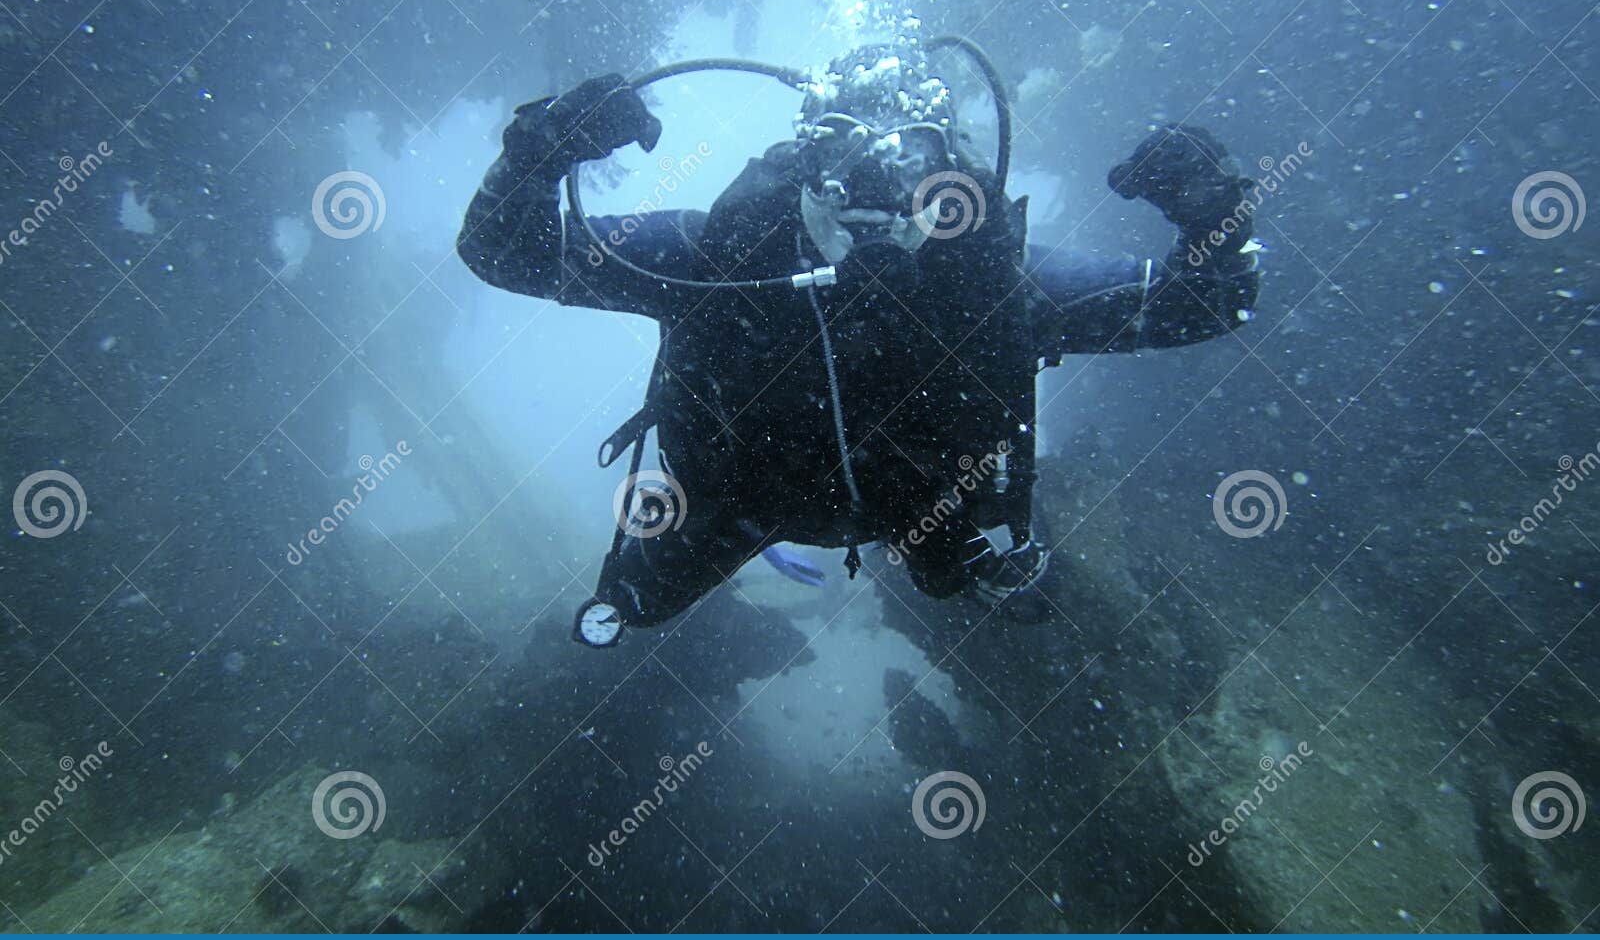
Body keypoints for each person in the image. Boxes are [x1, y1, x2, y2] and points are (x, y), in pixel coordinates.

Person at [457, 45, 1260, 647]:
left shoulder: (994, 285)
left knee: (992, 587)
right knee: (636, 608)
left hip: (922, 514)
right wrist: (540, 150)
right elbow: (503, 254)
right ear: (805, 161)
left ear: (948, 176)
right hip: (733, 500)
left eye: (907, 162)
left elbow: (1205, 304)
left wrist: (1215, 214)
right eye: (847, 155)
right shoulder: (715, 259)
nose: (876, 193)